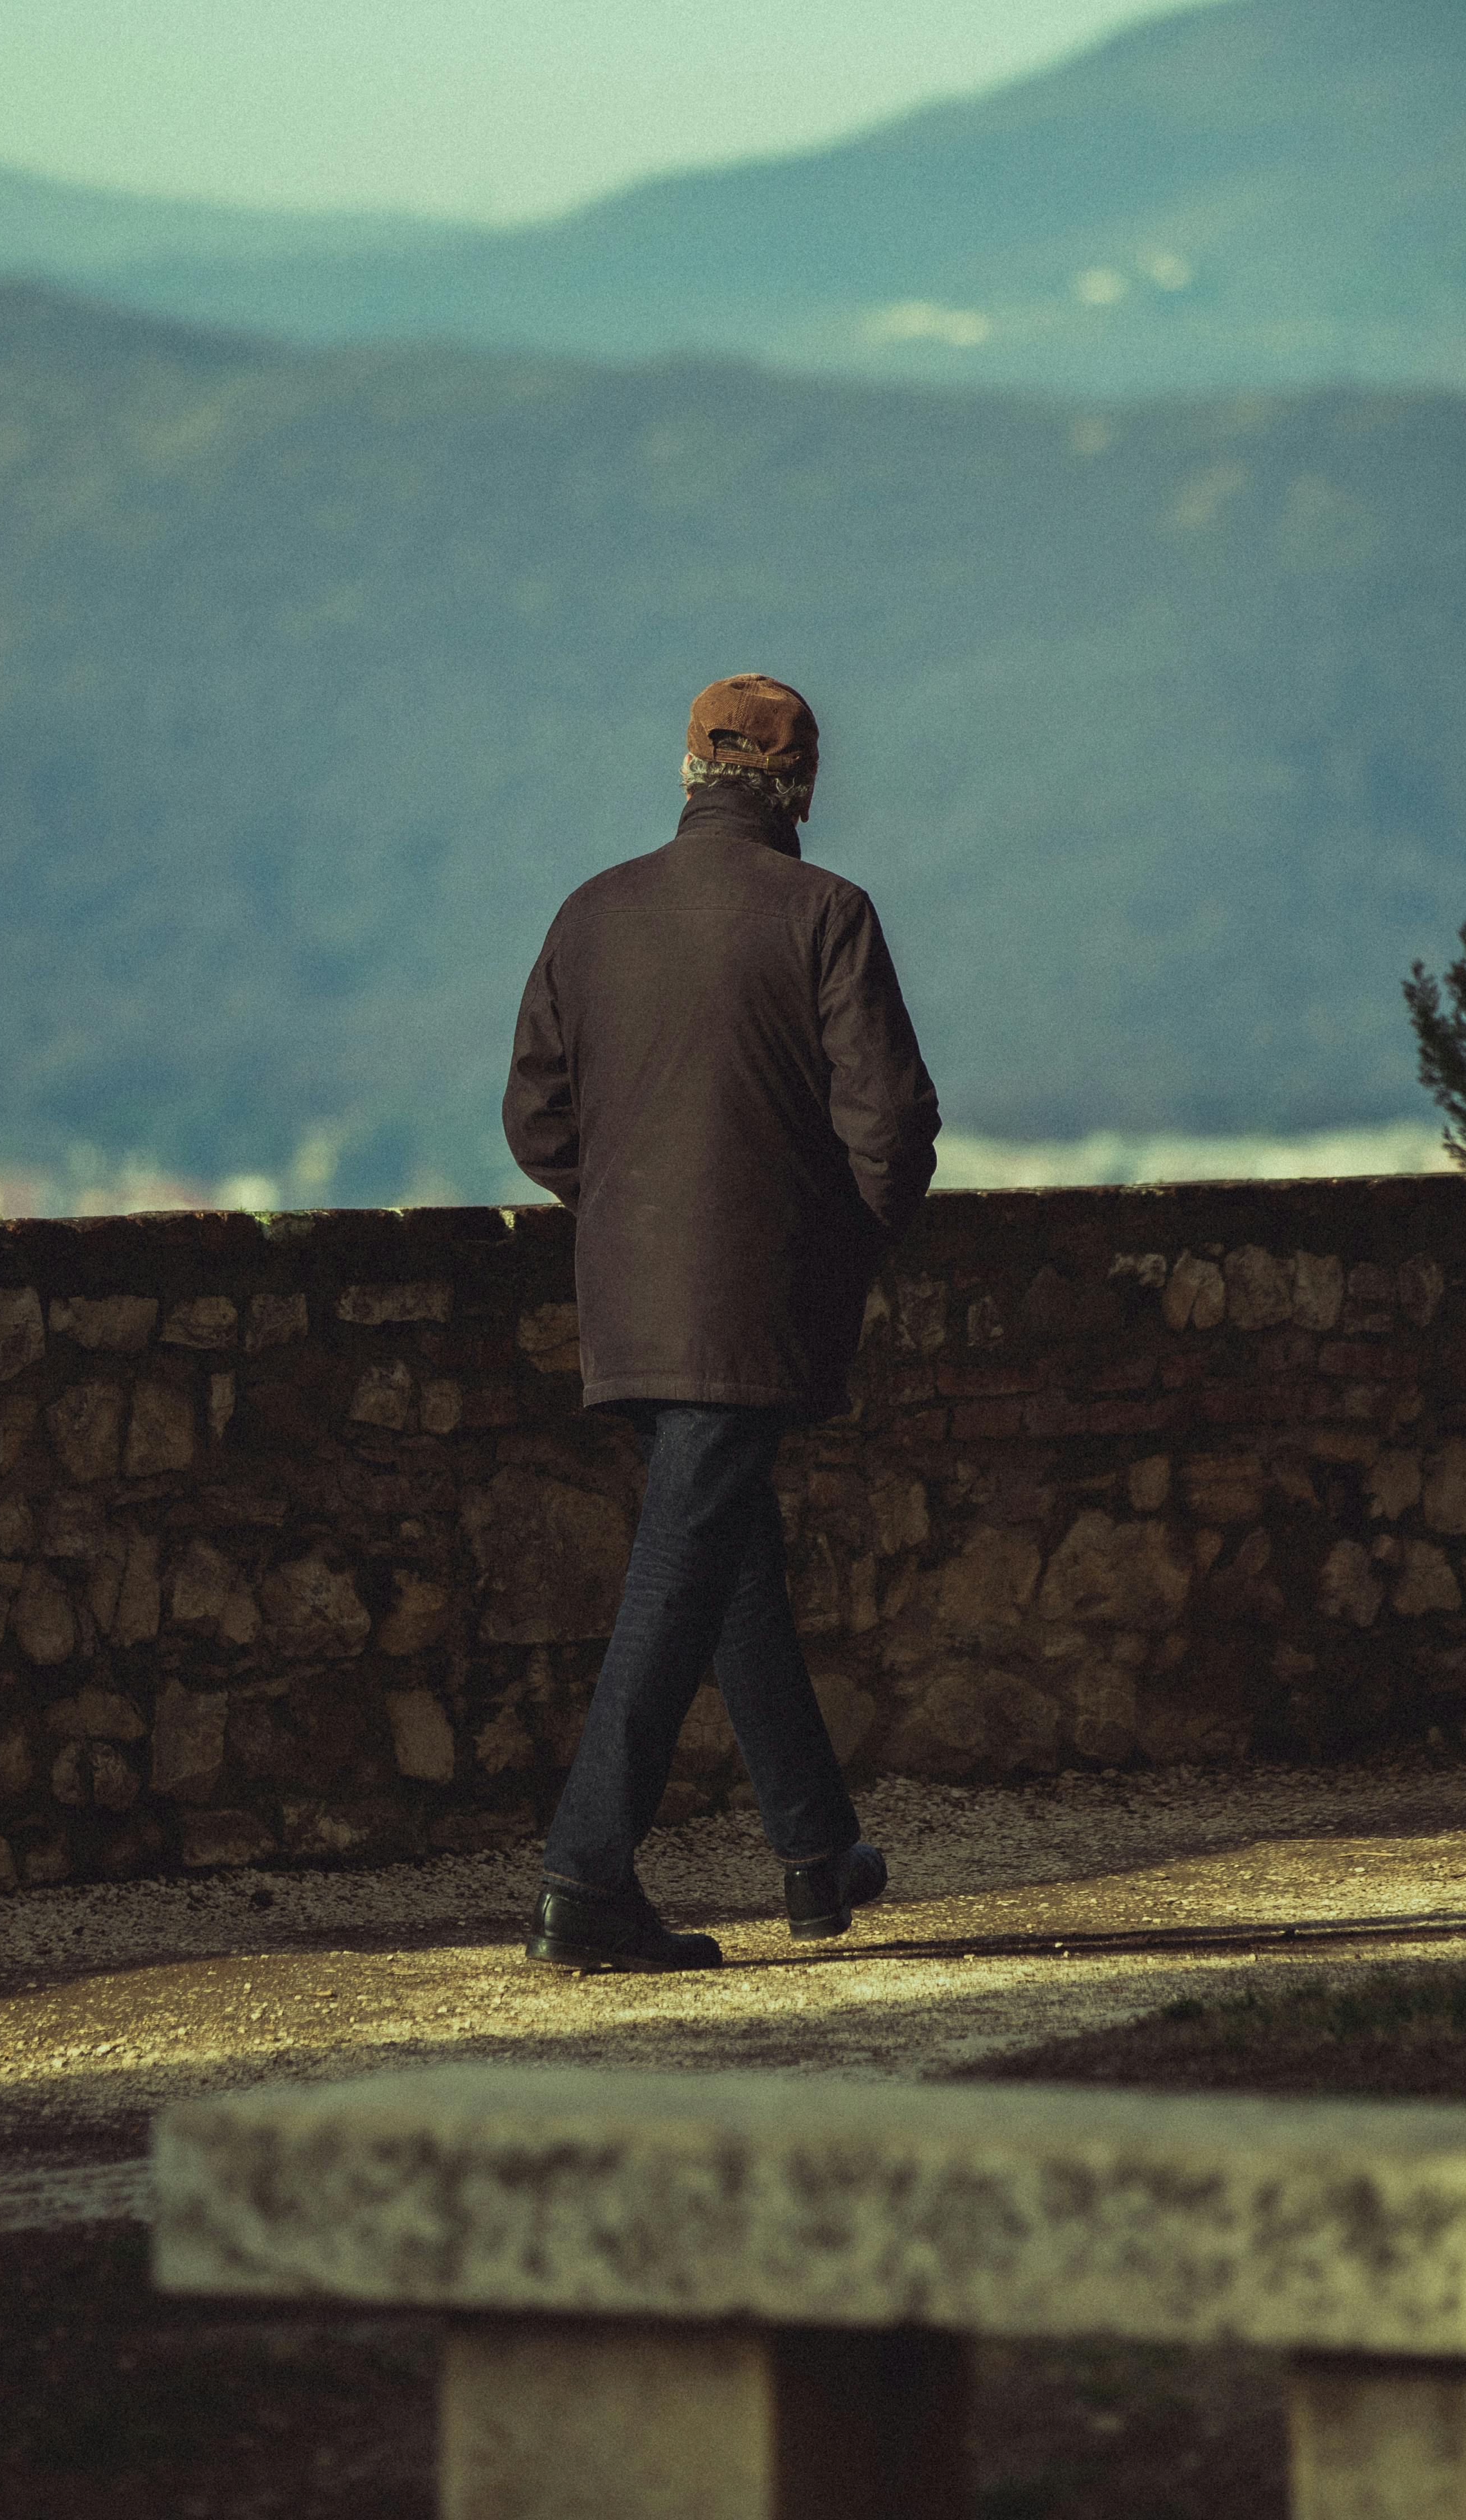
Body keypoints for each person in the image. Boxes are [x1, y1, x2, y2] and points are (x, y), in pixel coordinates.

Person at [500, 673, 942, 1972]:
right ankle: (586, 1874)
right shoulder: (826, 915)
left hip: (625, 1305)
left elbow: (538, 1124)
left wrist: (633, 1213)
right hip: (755, 1309)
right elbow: (891, 1132)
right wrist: (829, 1252)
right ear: (799, 786)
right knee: (677, 1576)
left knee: (729, 1556)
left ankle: (817, 1854)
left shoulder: (590, 915)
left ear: (688, 770)